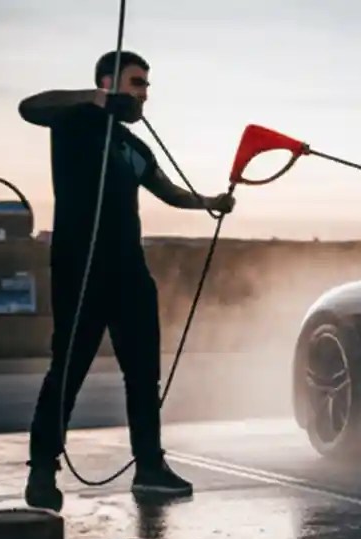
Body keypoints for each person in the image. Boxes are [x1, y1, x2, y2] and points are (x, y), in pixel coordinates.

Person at [18, 50, 235, 512]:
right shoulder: (75, 121)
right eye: (137, 83)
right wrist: (97, 100)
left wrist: (210, 202)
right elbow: (29, 106)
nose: (144, 93)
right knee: (68, 369)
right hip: (80, 266)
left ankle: (150, 467)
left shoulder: (136, 147)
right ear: (107, 82)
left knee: (142, 375)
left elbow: (167, 190)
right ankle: (41, 471)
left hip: (129, 272)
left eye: (146, 86)